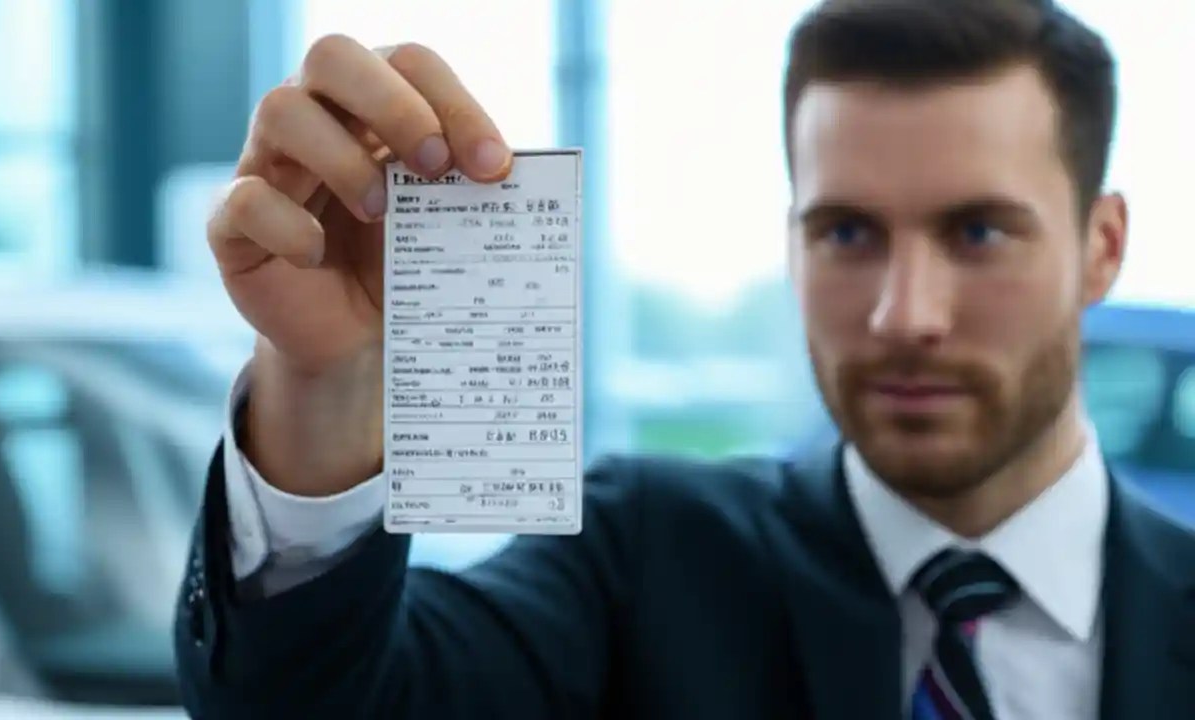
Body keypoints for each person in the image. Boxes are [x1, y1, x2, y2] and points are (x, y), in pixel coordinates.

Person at [175, 0, 1195, 718]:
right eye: (845, 232)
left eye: (976, 233)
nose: (901, 314)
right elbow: (321, 705)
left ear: (1100, 245)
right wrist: (321, 388)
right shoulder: (642, 563)